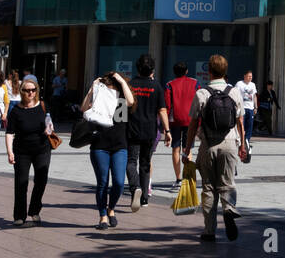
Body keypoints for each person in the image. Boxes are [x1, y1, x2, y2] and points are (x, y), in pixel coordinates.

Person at [185, 54, 248, 242]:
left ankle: (209, 230)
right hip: (229, 144)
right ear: (225, 71)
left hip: (208, 145)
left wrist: (187, 149)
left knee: (208, 187)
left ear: (209, 71)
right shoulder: (234, 92)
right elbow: (240, 122)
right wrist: (242, 144)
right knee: (227, 183)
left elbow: (193, 125)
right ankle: (229, 209)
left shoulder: (202, 93)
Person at [82, 71, 136, 229]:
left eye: (112, 86)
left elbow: (131, 101)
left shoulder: (121, 101)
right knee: (103, 183)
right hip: (100, 146)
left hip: (120, 146)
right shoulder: (99, 99)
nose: (109, 89)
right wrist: (92, 89)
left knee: (119, 183)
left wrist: (121, 80)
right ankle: (103, 216)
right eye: (106, 86)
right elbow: (84, 108)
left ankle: (111, 208)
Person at [5, 74, 53, 226]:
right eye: (27, 91)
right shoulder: (16, 111)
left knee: (41, 180)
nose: (30, 93)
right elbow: (9, 133)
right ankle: (19, 215)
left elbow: (50, 124)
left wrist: (49, 129)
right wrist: (9, 152)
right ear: (21, 92)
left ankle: (34, 210)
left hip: (42, 149)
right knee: (21, 183)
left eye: (33, 90)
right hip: (22, 151)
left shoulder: (43, 106)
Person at [127, 55, 170, 211]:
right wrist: (167, 130)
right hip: (150, 131)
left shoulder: (130, 85)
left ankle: (134, 188)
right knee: (145, 164)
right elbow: (162, 110)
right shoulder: (157, 86)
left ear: (137, 68)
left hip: (132, 129)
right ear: (152, 69)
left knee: (131, 162)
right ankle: (144, 198)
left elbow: (121, 109)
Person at [165, 62, 198, 184]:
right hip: (190, 119)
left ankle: (178, 179)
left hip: (175, 120)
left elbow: (167, 106)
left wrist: (165, 125)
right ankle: (188, 178)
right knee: (188, 148)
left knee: (176, 149)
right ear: (187, 71)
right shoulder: (195, 83)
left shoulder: (170, 85)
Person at [236, 70, 258, 149]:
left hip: (250, 108)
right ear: (244, 76)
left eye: (251, 77)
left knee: (250, 125)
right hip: (242, 108)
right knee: (242, 125)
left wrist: (256, 107)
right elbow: (236, 95)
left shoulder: (253, 85)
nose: (250, 78)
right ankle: (241, 141)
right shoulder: (239, 84)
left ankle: (247, 141)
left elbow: (254, 96)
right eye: (249, 76)